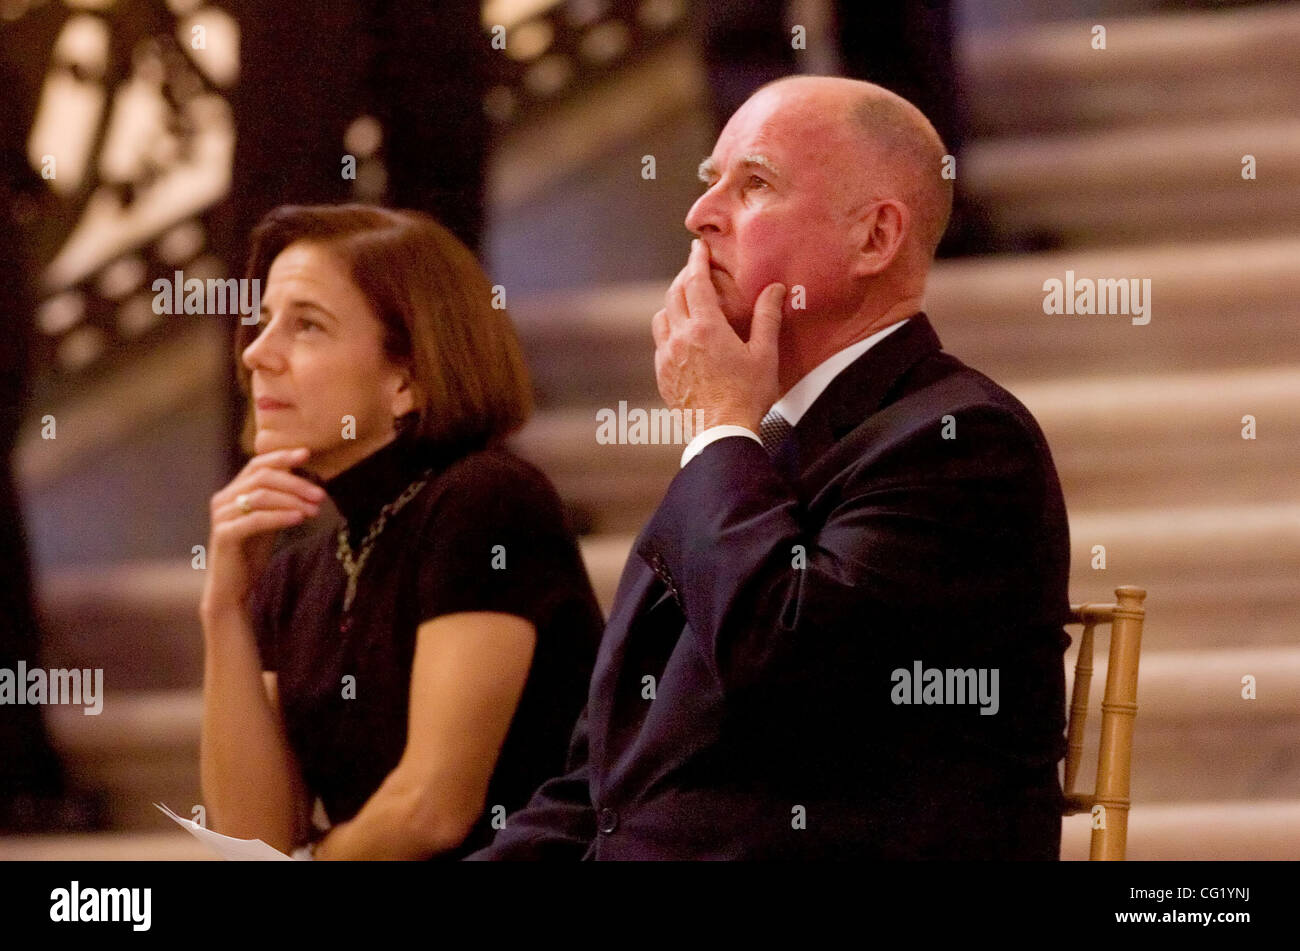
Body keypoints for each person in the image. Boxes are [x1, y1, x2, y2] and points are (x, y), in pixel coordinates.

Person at [469, 76, 1072, 860]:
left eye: (753, 184)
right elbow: (598, 791)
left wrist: (720, 427)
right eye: (706, 181)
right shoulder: (753, 444)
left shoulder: (961, 443)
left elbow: (786, 664)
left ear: (874, 238)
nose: (699, 215)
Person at [199, 204, 603, 860]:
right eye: (263, 319)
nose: (255, 352)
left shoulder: (484, 501)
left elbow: (433, 809)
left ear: (407, 378)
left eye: (305, 325)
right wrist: (224, 609)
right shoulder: (297, 566)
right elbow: (257, 838)